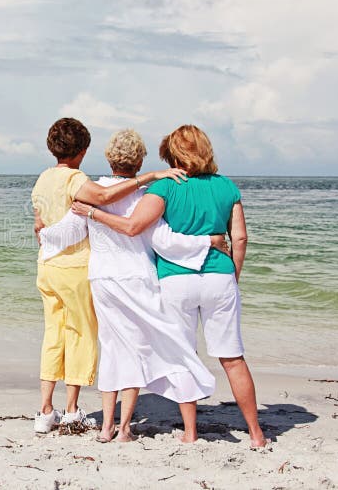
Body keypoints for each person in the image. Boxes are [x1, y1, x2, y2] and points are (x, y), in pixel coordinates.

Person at [72, 124, 268, 447]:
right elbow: (241, 238)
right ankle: (257, 435)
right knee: (233, 357)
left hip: (176, 281)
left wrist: (92, 214)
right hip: (220, 277)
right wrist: (233, 276)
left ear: (173, 154)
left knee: (182, 354)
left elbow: (138, 228)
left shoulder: (165, 188)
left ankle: (190, 433)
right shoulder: (227, 187)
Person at [40, 129, 218, 443]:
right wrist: (207, 242)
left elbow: (68, 231)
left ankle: (107, 427)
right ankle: (124, 429)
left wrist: (42, 231)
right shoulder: (145, 193)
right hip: (137, 277)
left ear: (109, 158)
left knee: (111, 348)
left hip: (102, 278)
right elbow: (162, 240)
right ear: (139, 161)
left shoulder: (91, 191)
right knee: (137, 349)